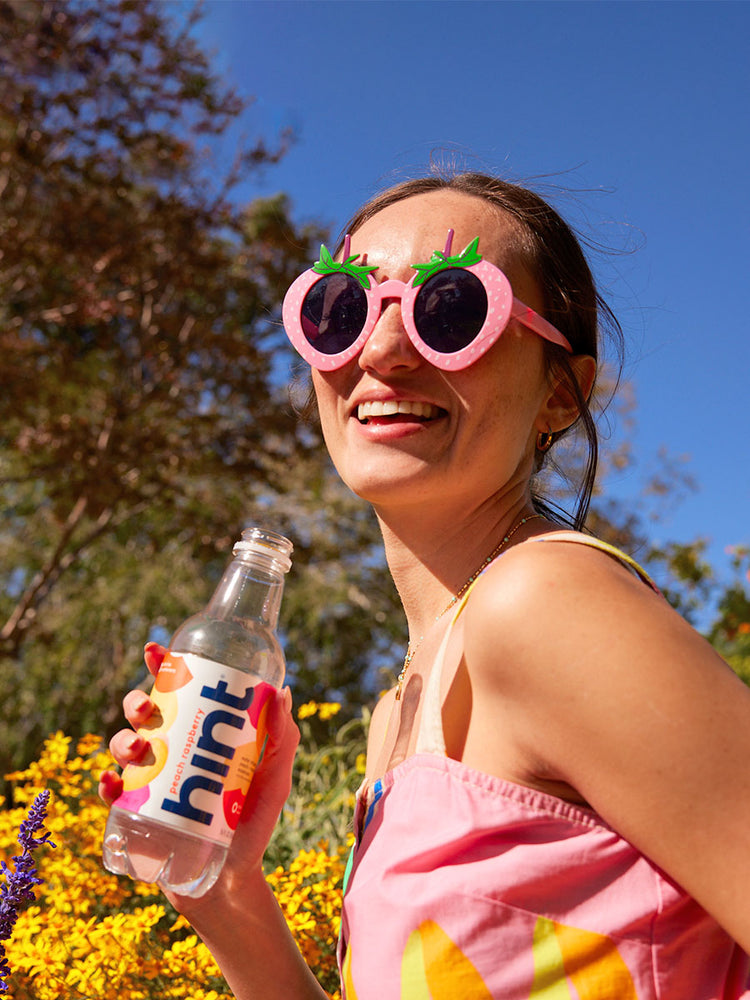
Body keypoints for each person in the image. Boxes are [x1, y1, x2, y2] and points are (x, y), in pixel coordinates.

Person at [99, 171, 750, 999]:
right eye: (341, 309)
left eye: (452, 311)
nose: (380, 351)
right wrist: (225, 891)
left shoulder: (543, 606)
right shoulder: (398, 710)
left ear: (561, 392)